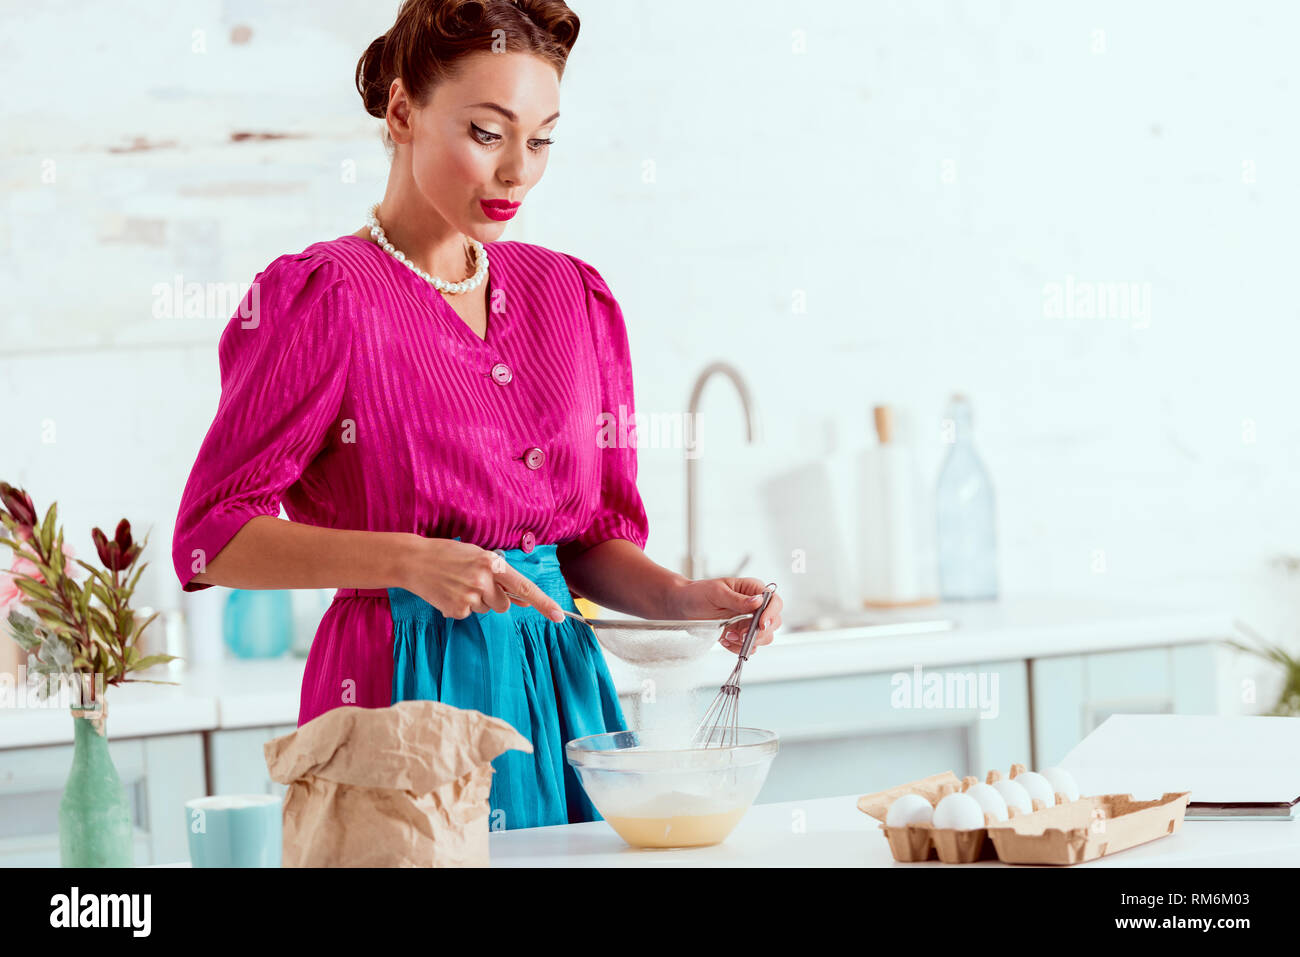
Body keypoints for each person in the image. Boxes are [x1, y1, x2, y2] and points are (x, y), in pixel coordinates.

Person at [171, 0, 783, 830]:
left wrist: (682, 598)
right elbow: (211, 535)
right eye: (488, 134)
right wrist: (412, 561)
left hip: (564, 690)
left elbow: (585, 542)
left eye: (541, 140)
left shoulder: (572, 297)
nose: (518, 173)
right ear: (401, 111)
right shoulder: (321, 299)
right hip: (401, 687)